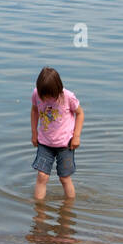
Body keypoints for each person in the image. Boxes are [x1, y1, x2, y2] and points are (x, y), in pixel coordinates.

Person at [30, 66, 84, 200]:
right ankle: (39, 212)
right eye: (45, 96)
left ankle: (69, 209)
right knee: (42, 176)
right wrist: (34, 133)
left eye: (51, 96)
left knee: (64, 178)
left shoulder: (68, 97)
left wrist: (76, 136)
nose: (47, 99)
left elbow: (80, 113)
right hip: (45, 142)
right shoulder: (37, 94)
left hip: (66, 144)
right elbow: (34, 111)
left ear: (58, 89)